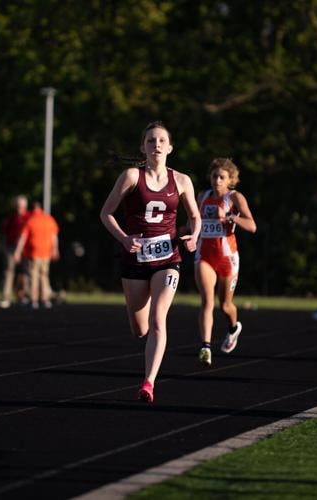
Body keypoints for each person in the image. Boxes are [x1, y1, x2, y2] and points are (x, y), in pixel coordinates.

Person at [99, 121, 201, 403]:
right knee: (139, 329)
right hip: (135, 258)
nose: (156, 144)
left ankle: (148, 383)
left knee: (159, 318)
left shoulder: (182, 180)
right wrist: (123, 238)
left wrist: (194, 236)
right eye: (150, 140)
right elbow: (106, 213)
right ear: (143, 147)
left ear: (170, 147)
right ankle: (144, 345)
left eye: (161, 140)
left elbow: (195, 216)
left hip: (168, 258)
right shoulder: (131, 176)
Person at [194, 158, 257, 367]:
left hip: (228, 259)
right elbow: (190, 224)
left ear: (230, 180)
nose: (217, 180)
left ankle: (233, 328)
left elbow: (252, 225)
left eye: (222, 177)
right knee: (207, 301)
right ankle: (205, 347)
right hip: (205, 256)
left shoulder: (235, 198)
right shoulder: (202, 197)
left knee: (225, 305)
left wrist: (230, 217)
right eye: (214, 176)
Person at [13, 201, 59, 309]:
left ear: (32, 209)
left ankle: (34, 300)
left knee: (33, 277)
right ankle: (45, 299)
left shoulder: (30, 220)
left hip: (34, 253)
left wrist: (18, 252)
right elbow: (54, 236)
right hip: (46, 253)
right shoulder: (49, 219)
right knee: (44, 276)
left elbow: (23, 238)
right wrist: (55, 250)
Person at [0, 195, 31, 308]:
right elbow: (5, 233)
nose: (20, 209)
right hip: (12, 246)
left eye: (22, 207)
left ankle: (23, 295)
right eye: (18, 206)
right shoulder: (11, 219)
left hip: (25, 249)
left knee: (25, 273)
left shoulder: (29, 218)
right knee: (9, 270)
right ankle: (6, 296)